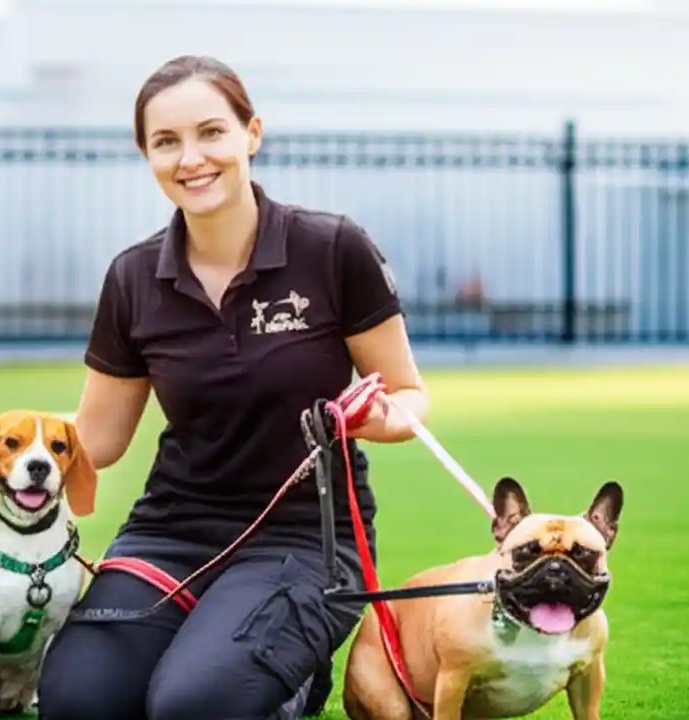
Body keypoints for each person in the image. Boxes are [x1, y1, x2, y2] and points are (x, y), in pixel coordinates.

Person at [34, 54, 430, 720]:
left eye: (211, 132)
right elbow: (97, 438)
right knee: (79, 703)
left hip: (307, 540)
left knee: (193, 705)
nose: (191, 158)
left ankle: (294, 680)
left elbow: (409, 394)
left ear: (252, 133)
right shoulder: (132, 277)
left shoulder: (333, 249)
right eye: (167, 141)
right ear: (147, 154)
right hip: (170, 534)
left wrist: (378, 417)